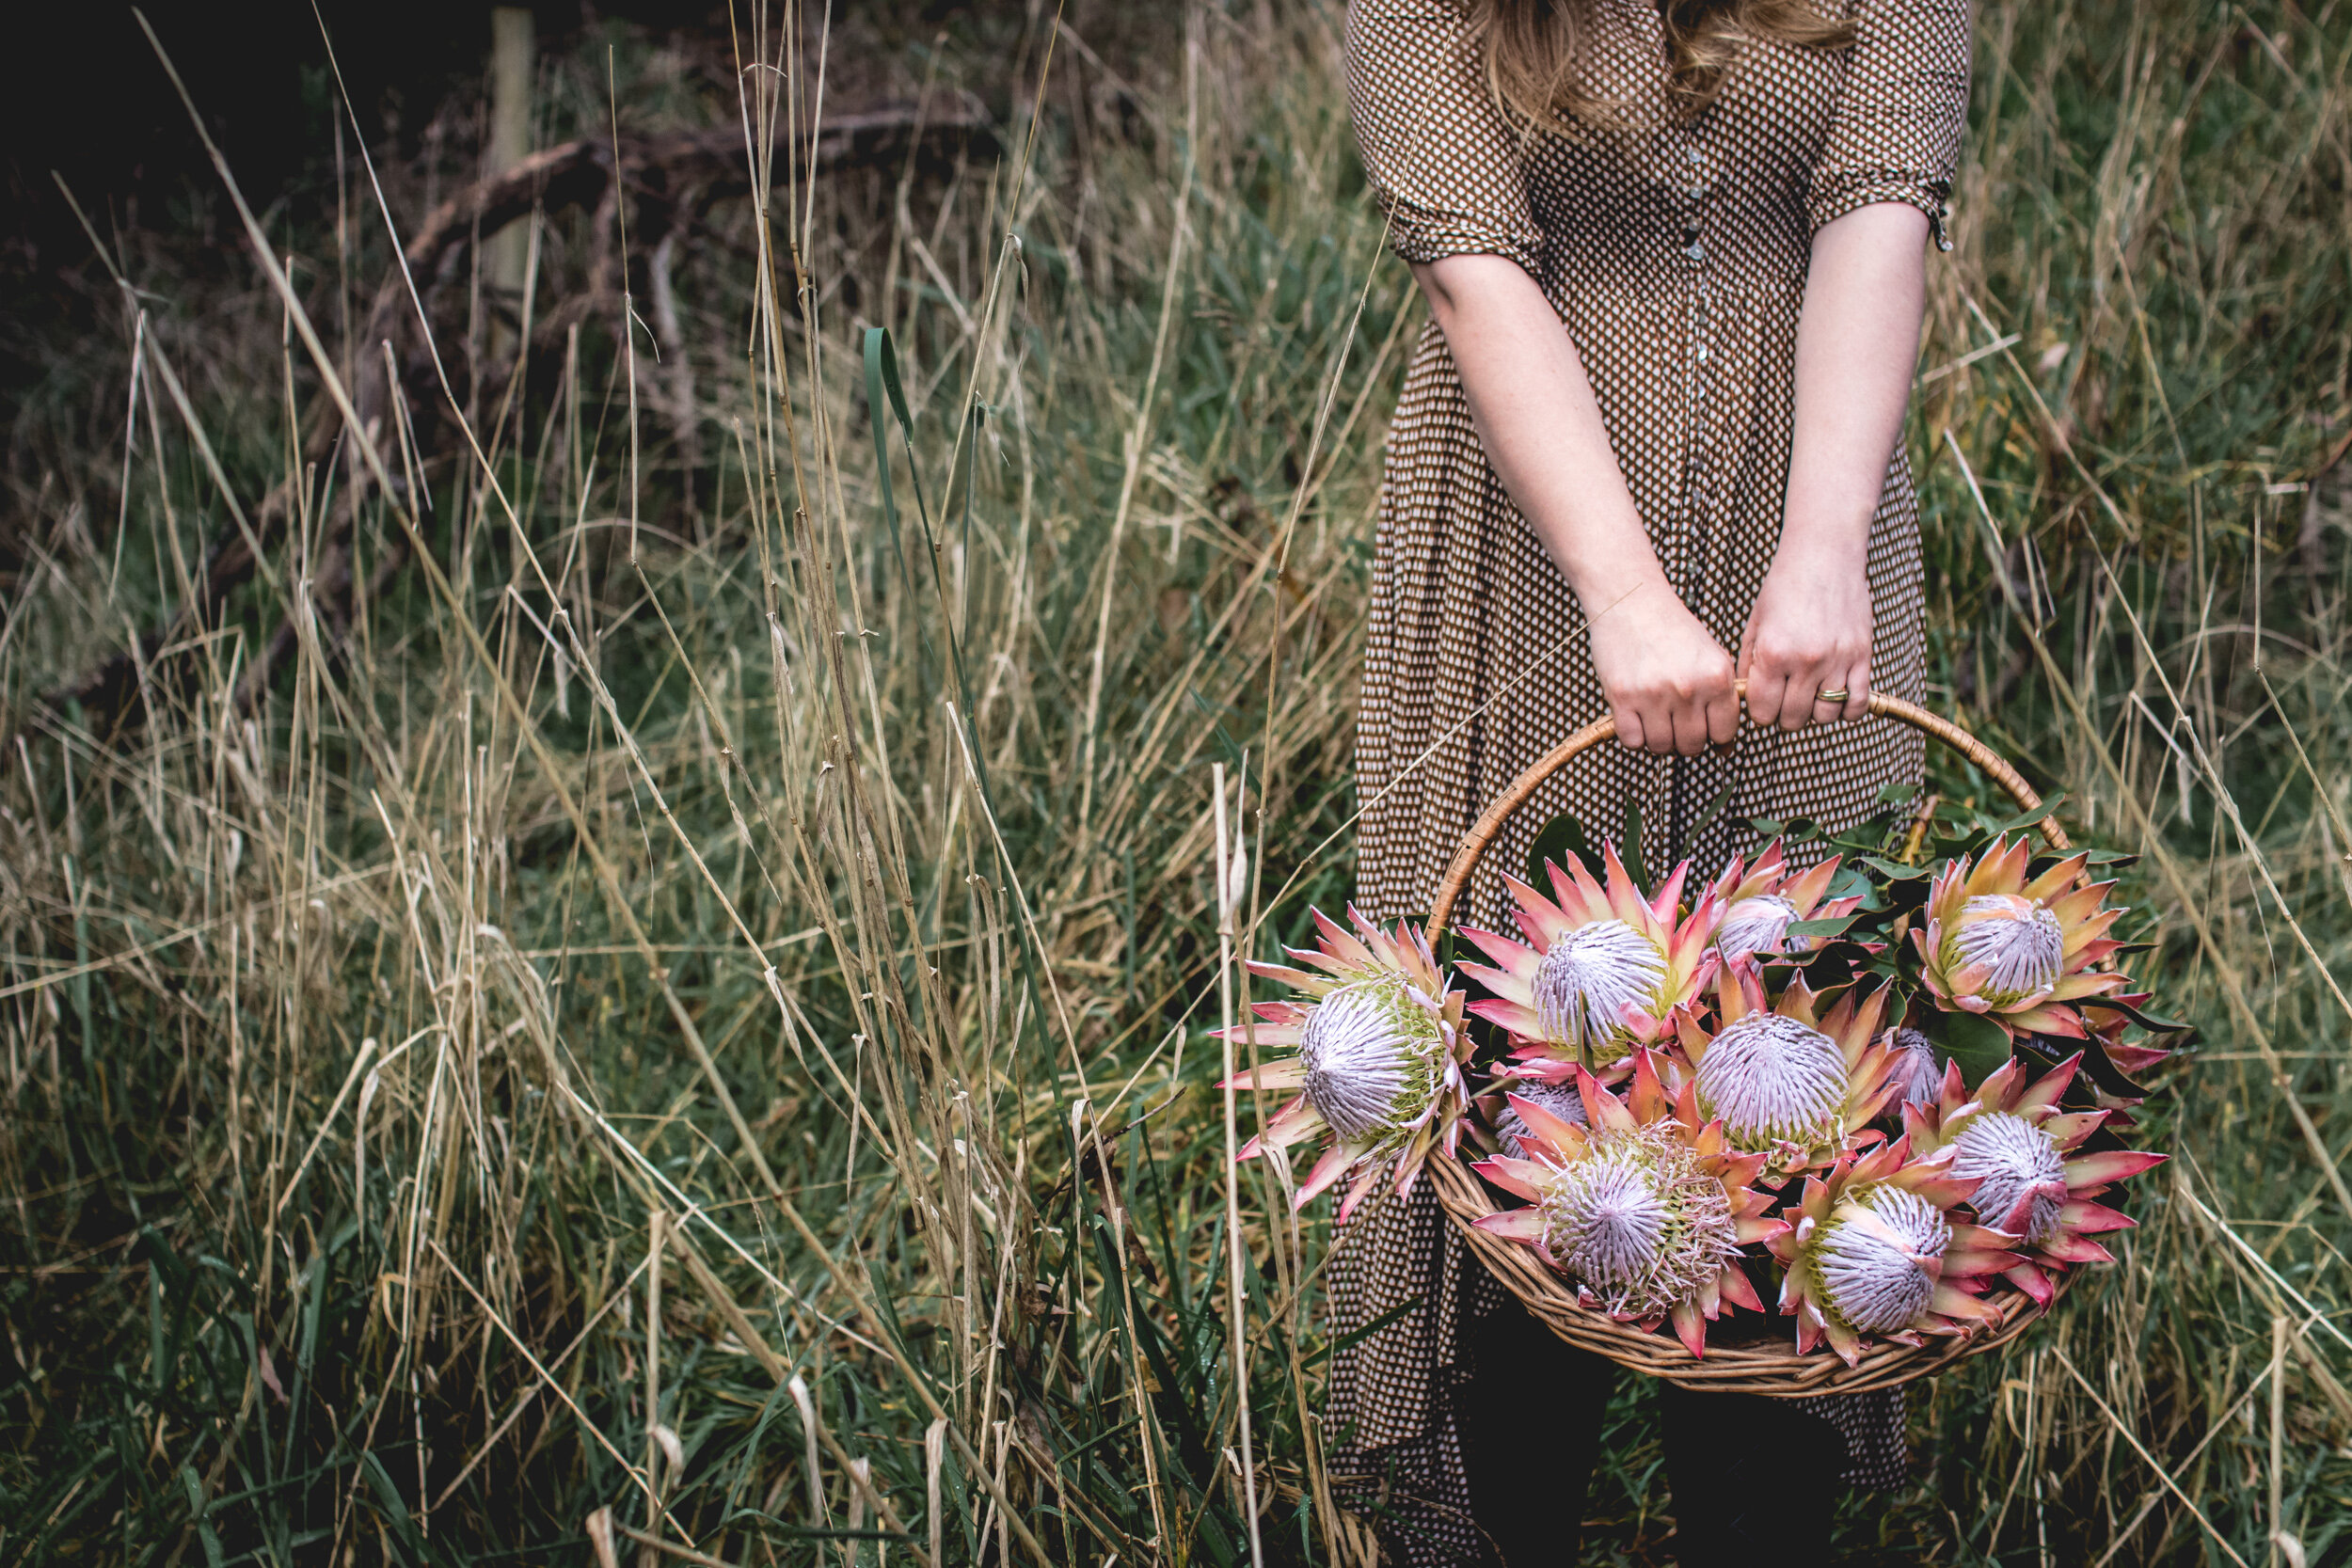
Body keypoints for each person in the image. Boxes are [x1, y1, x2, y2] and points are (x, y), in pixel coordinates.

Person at [1331, 0, 1972, 1563]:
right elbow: (1476, 270)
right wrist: (1623, 599)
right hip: (1528, 555)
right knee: (1519, 1088)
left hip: (1807, 516)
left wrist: (1821, 553)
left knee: (1804, 1092)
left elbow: (1877, 208)